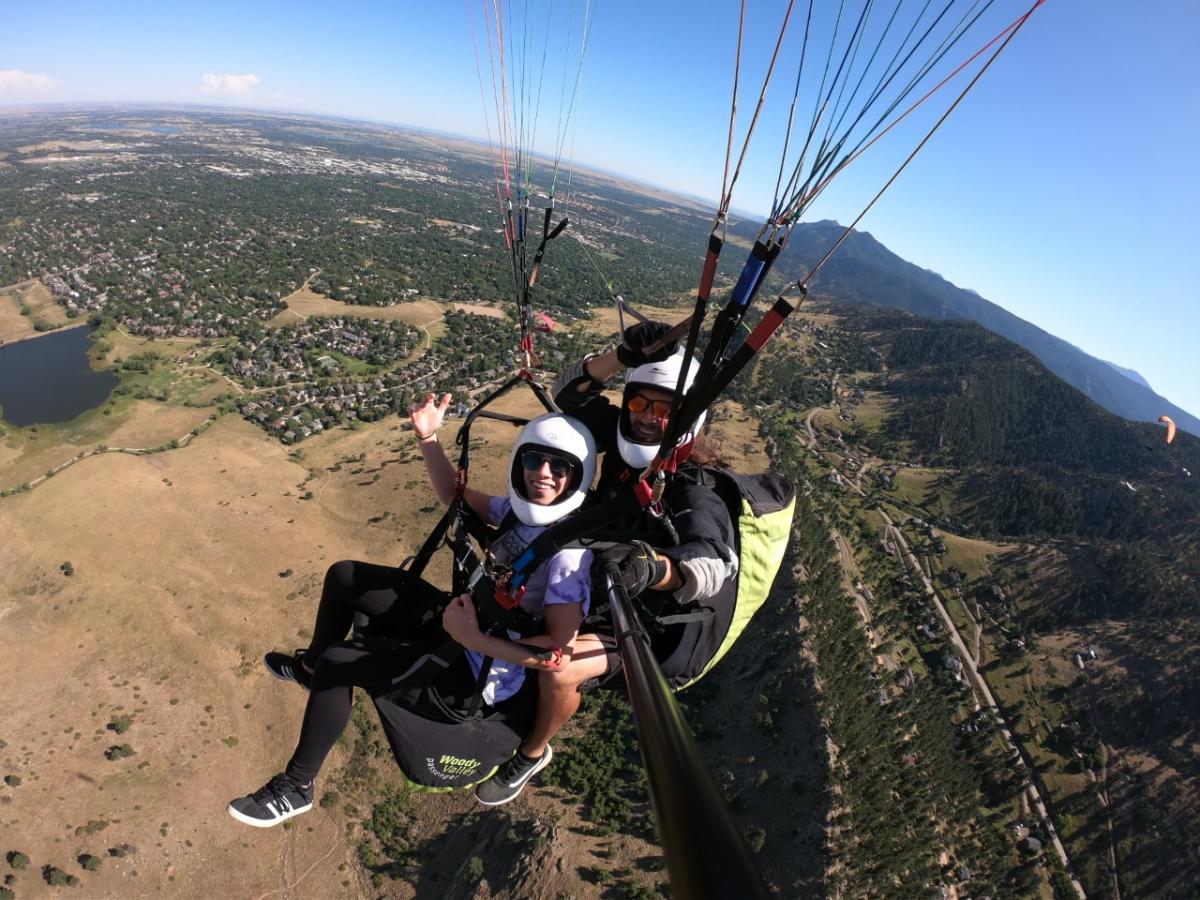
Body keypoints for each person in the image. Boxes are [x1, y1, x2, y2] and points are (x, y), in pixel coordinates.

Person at [226, 394, 601, 826]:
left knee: (340, 660)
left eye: (560, 468)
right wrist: (428, 439)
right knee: (345, 576)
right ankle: (311, 672)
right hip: (462, 622)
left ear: (577, 477)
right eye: (535, 460)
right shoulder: (519, 513)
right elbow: (454, 496)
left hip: (482, 670)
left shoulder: (568, 557)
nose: (543, 473)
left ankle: (297, 786)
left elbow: (557, 653)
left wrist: (473, 639)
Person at [491, 327, 739, 778]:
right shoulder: (626, 438)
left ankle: (532, 753)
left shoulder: (694, 488)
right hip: (594, 573)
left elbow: (714, 564)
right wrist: (624, 356)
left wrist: (654, 568)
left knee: (560, 671)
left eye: (664, 409)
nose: (647, 417)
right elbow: (571, 395)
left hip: (643, 621)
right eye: (639, 402)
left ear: (687, 418)